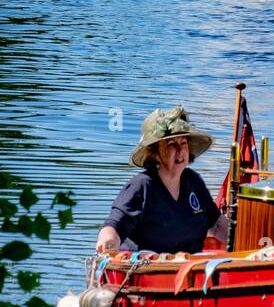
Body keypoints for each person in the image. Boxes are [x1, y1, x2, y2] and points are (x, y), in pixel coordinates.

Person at [96, 107, 228, 255]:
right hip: (147, 269)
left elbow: (216, 225)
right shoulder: (141, 187)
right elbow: (113, 225)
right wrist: (107, 238)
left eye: (183, 142)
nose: (180, 150)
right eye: (172, 144)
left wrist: (252, 242)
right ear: (155, 154)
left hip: (193, 268)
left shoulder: (194, 182)